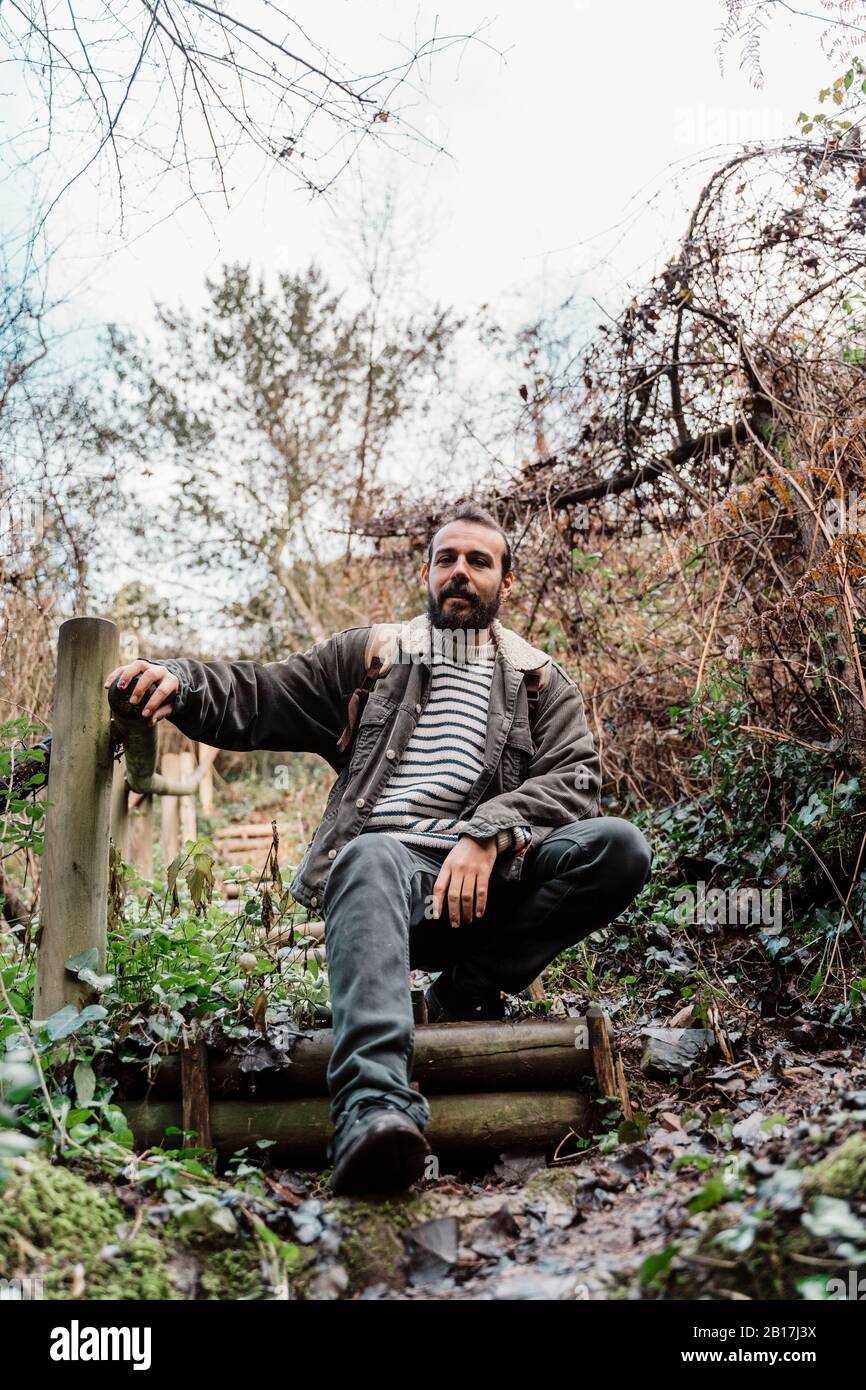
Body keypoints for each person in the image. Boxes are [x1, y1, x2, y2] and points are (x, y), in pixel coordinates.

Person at [104, 503, 652, 1196]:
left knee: (620, 847)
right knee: (369, 853)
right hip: (391, 891)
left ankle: (468, 988)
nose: (460, 572)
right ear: (426, 572)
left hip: (495, 884)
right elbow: (265, 692)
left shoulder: (539, 680)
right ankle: (373, 1112)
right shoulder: (375, 658)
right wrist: (181, 682)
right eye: (446, 558)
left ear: (504, 582)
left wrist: (490, 829)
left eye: (479, 561)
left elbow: (576, 784)